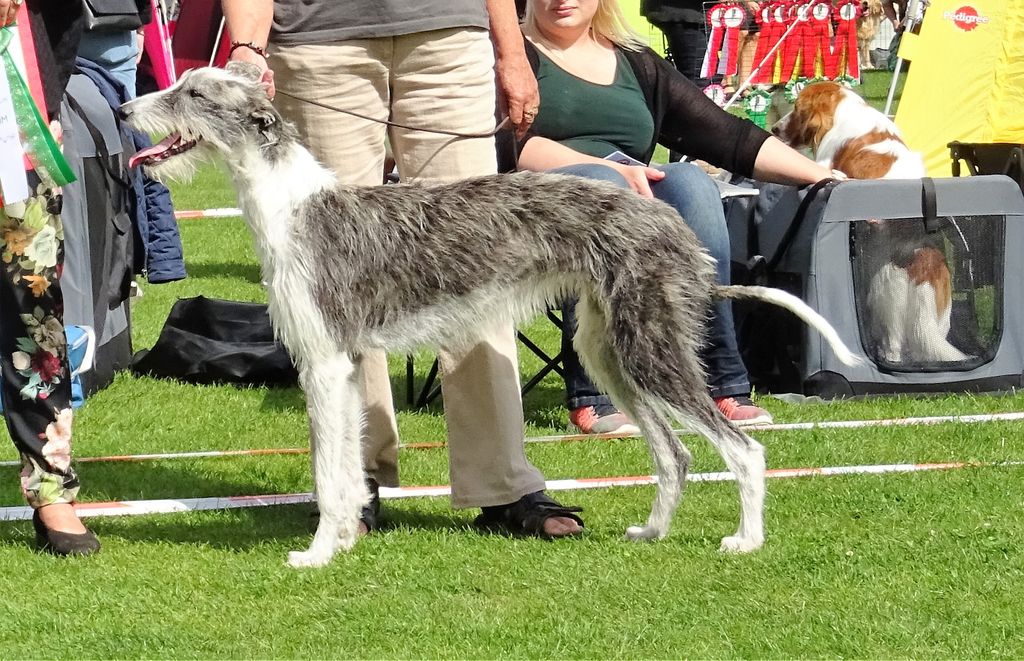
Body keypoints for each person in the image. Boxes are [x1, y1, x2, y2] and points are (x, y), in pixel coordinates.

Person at [220, 0, 585, 538]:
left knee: (477, 268)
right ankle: (352, 486)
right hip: (319, 39)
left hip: (447, 34)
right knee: (338, 287)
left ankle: (502, 482)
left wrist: (512, 51)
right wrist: (247, 48)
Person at [515, 0, 838, 430]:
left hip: (631, 210)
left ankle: (722, 383)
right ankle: (593, 393)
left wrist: (825, 176)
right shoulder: (512, 57)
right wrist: (610, 170)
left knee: (690, 181)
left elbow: (728, 136)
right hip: (538, 217)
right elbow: (508, 145)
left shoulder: (634, 61)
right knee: (598, 186)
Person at [1, 0, 100, 555]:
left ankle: (51, 488)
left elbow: (64, 11)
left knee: (34, 317)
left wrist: (50, 103)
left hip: (20, 125)